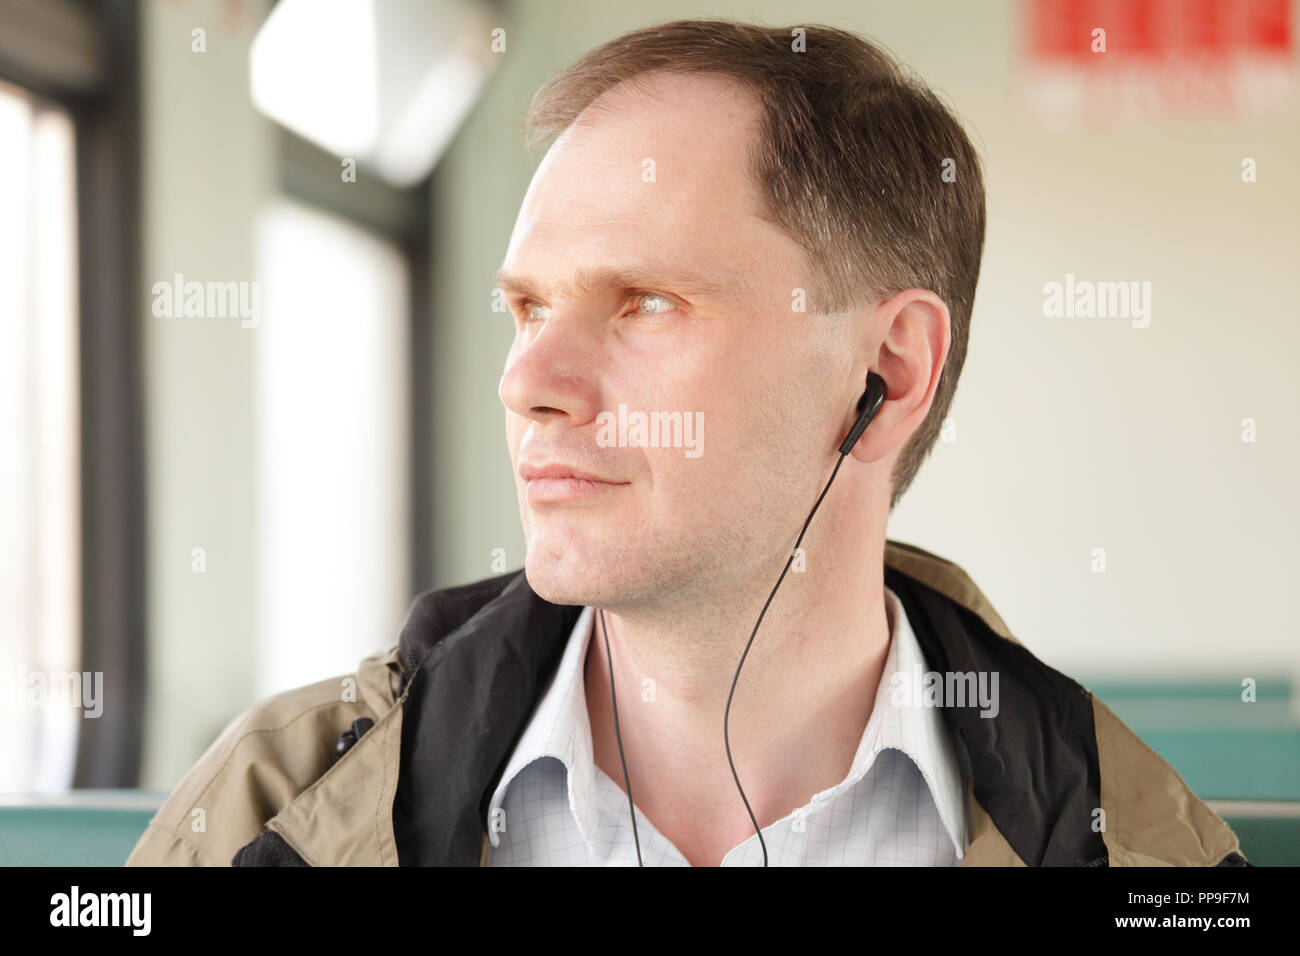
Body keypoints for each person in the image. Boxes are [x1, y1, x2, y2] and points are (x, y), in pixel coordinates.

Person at [127, 19, 1247, 867]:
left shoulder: (1149, 847)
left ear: (885, 372)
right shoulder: (265, 805)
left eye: (646, 302)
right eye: (525, 310)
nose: (528, 383)